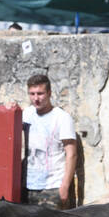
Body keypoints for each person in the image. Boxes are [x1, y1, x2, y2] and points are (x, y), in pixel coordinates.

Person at [21, 74, 77, 208]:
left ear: (49, 93)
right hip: (28, 186)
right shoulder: (26, 114)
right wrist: (10, 109)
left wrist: (64, 186)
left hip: (53, 188)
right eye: (32, 94)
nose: (36, 98)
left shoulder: (62, 118)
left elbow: (72, 154)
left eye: (40, 94)